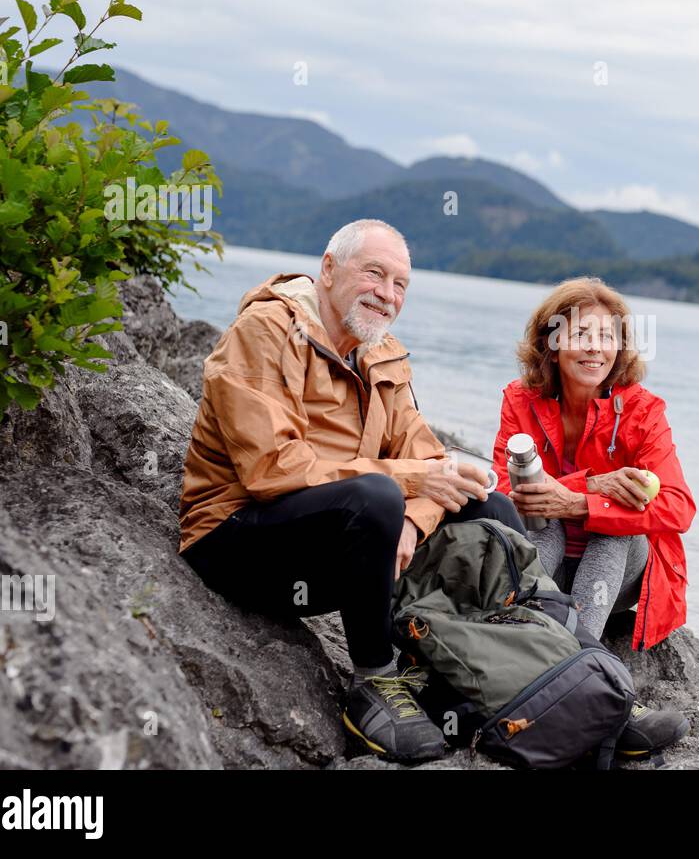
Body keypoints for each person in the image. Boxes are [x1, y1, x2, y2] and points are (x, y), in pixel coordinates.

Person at [178, 218, 523, 763]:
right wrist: (404, 487)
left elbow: (432, 461)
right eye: (375, 274)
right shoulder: (265, 331)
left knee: (491, 506)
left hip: (344, 546)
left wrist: (411, 520)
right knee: (376, 496)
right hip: (237, 538)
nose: (387, 295)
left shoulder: (383, 352)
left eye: (400, 284)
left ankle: (521, 671)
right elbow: (272, 470)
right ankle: (374, 682)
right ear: (330, 268)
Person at [493, 276, 696, 756]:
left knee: (616, 525)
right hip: (551, 563)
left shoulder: (644, 410)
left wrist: (586, 502)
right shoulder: (520, 399)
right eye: (581, 334)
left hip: (619, 573)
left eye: (607, 337)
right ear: (552, 340)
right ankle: (585, 683)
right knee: (544, 527)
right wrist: (581, 490)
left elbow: (679, 506)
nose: (595, 349)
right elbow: (505, 492)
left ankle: (571, 672)